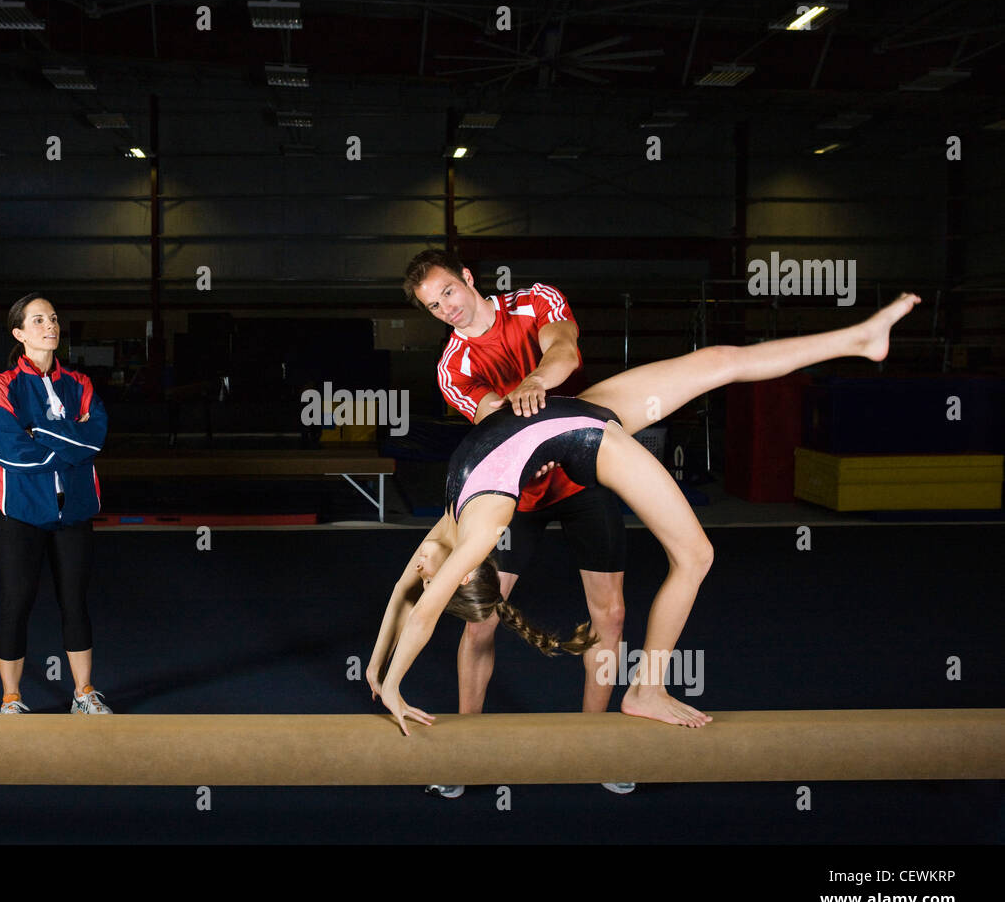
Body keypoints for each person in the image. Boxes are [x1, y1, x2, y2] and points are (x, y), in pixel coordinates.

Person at [368, 292, 922, 735]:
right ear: (468, 569)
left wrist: (377, 671)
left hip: (571, 412)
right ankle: (646, 689)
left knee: (718, 362)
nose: (424, 568)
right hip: (588, 437)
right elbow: (423, 613)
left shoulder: (445, 534)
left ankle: (861, 336)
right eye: (437, 575)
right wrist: (394, 687)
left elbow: (404, 597)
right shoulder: (479, 530)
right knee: (696, 554)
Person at [405, 249, 632, 796]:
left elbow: (564, 349)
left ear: (467, 278)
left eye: (449, 293)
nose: (447, 310)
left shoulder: (536, 300)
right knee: (480, 622)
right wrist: (529, 429)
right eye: (433, 307)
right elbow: (494, 418)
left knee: (612, 616)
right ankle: (466, 749)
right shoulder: (451, 368)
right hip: (514, 497)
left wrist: (535, 384)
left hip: (581, 478)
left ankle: (596, 743)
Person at [0, 294, 111, 715]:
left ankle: (84, 692)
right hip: (21, 512)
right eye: (38, 320)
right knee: (16, 601)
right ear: (19, 333)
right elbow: (12, 451)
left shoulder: (80, 385)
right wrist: (65, 440)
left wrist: (41, 432)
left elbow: (94, 439)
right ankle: (12, 698)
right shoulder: (2, 387)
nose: (50, 326)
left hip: (73, 512)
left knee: (75, 601)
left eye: (53, 318)